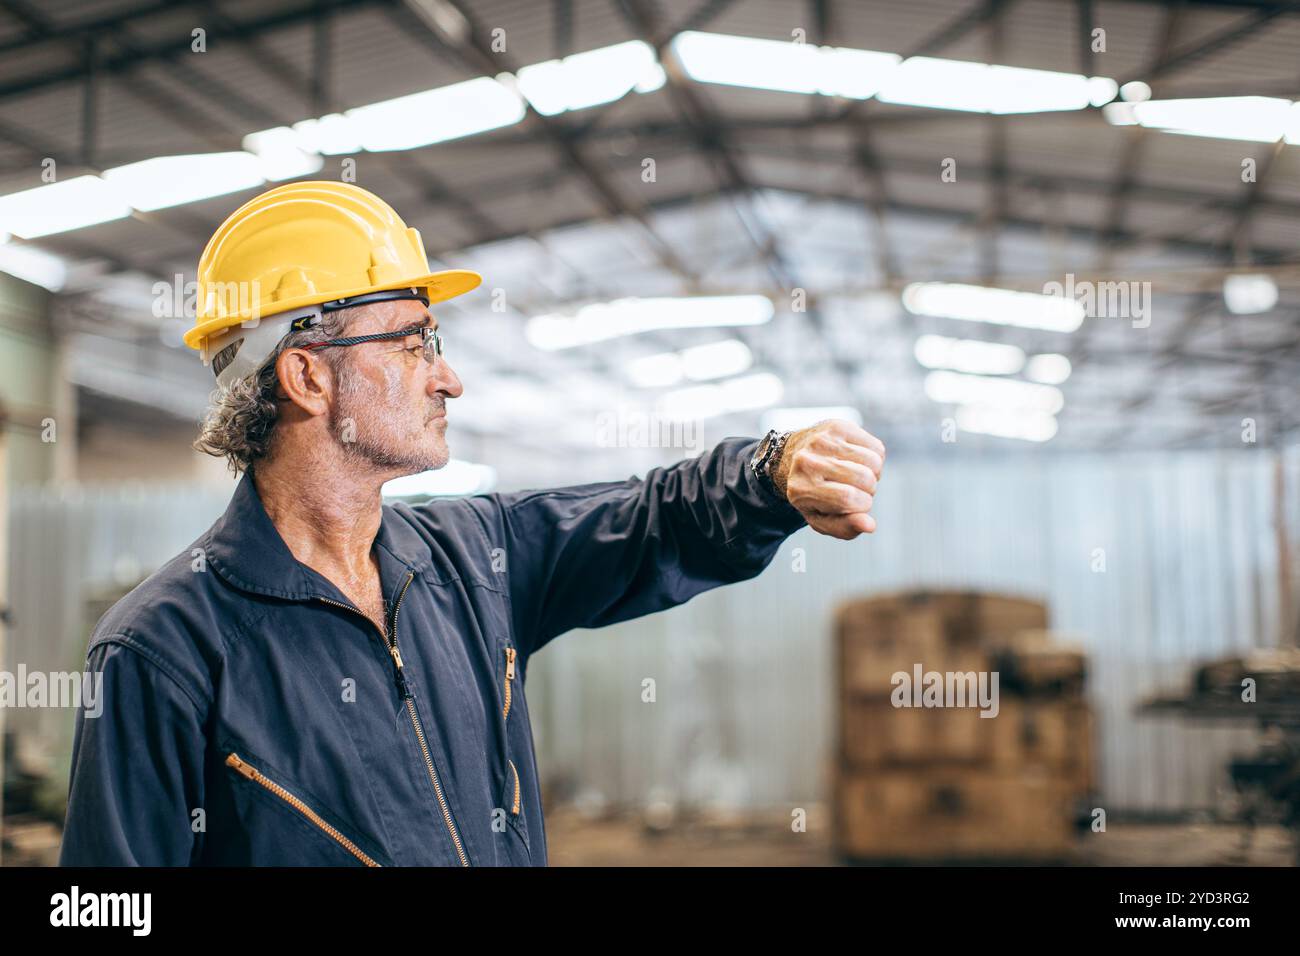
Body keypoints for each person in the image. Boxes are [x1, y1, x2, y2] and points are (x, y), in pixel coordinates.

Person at [58, 181, 884, 866]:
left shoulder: (475, 559)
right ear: (307, 375)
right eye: (414, 343)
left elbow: (654, 522)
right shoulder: (163, 651)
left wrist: (769, 472)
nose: (448, 378)